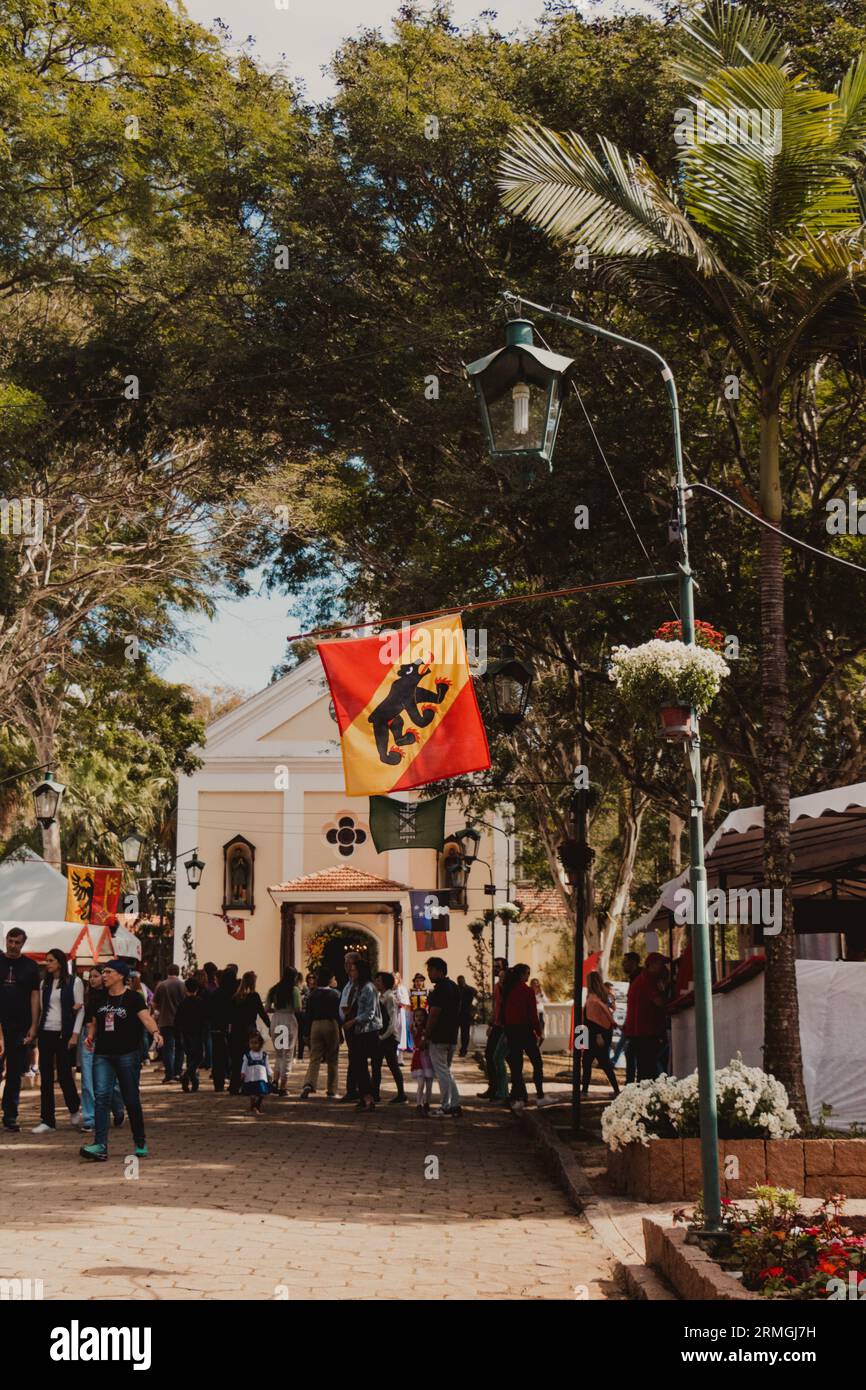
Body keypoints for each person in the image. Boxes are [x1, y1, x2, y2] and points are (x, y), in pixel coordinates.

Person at [80, 959, 162, 1161]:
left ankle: (140, 1141)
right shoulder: (98, 998)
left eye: (108, 972)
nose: (104, 975)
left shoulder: (133, 998)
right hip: (103, 1054)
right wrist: (90, 1037)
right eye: (104, 972)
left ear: (120, 975)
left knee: (131, 1098)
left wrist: (156, 1032)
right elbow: (94, 1022)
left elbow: (146, 1018)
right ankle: (100, 1145)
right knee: (101, 1097)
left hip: (127, 1054)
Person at [32, 947, 84, 1133]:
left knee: (63, 1074)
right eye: (47, 961)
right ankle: (47, 1120)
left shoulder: (74, 982)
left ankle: (73, 1108)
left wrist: (75, 1034)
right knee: (45, 1076)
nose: (48, 964)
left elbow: (81, 1009)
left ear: (60, 963)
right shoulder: (44, 984)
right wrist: (35, 1030)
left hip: (64, 1034)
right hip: (46, 1032)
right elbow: (41, 1008)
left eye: (51, 960)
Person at [0, 927, 41, 1133]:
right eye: (10, 941)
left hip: (21, 1026)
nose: (13, 945)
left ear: (23, 943)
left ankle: (10, 1114)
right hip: (0, 1025)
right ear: (5, 940)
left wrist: (34, 1025)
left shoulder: (30, 966)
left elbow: (35, 996)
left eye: (17, 942)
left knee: (15, 1071)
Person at [79, 966, 124, 1132]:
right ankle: (90, 1118)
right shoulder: (87, 996)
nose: (92, 979)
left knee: (111, 1081)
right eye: (90, 976)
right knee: (87, 1080)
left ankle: (118, 1108)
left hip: (107, 1037)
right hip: (89, 1036)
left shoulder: (111, 996)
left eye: (96, 976)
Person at [501, 963, 545, 1108]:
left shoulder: (508, 990)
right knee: (537, 1063)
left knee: (516, 1066)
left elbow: (504, 1012)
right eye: (527, 973)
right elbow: (532, 1014)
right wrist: (539, 1032)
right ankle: (540, 1095)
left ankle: (518, 1097)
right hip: (525, 1031)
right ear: (522, 975)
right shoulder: (527, 991)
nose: (528, 976)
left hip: (512, 1031)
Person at [423, 957, 462, 1118]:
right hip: (451, 1035)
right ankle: (454, 1104)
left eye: (431, 970)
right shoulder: (453, 986)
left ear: (440, 971)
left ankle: (446, 1105)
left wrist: (426, 1035)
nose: (429, 974)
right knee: (446, 1071)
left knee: (442, 1073)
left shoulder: (440, 989)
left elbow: (433, 1015)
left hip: (439, 1037)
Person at [343, 957, 380, 1112]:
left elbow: (370, 1013)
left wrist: (353, 1021)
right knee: (359, 1065)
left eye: (354, 969)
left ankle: (369, 1097)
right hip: (358, 1031)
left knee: (361, 1065)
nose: (351, 972)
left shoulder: (368, 988)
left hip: (368, 1031)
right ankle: (364, 1097)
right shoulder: (358, 987)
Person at [625, 952, 668, 1081]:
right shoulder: (647, 980)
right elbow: (659, 1002)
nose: (663, 968)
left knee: (645, 1066)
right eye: (661, 964)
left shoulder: (643, 978)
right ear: (653, 965)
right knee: (647, 1068)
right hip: (645, 1031)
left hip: (642, 1030)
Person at [300, 967, 341, 1098]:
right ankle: (331, 1090)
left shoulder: (312, 995)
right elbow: (338, 1014)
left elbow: (308, 1015)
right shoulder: (336, 994)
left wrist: (306, 1032)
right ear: (330, 980)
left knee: (315, 1057)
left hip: (315, 1025)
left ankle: (309, 1083)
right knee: (332, 1059)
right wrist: (340, 1032)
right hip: (331, 1023)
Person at [228, 972, 270, 1095]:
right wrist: (270, 1026)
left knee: (236, 1060)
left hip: (236, 1031)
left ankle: (233, 1086)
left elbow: (231, 1016)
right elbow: (262, 1014)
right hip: (249, 1030)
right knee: (248, 1060)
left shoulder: (235, 997)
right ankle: (247, 1086)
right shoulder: (254, 996)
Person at [581, 970, 620, 1099]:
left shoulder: (593, 998)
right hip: (602, 1032)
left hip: (596, 1034)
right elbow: (608, 1012)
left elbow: (593, 1018)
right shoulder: (602, 995)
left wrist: (598, 1035)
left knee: (600, 1062)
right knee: (590, 1062)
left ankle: (615, 1090)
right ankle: (585, 1090)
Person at [266, 967, 301, 1097]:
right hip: (288, 1021)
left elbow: (267, 1008)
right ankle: (283, 1085)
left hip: (276, 1020)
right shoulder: (294, 990)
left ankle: (275, 1081)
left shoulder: (273, 990)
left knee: (279, 1053)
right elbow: (298, 1008)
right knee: (287, 1054)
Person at [372, 971, 406, 1104]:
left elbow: (393, 1021)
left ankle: (401, 1094)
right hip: (381, 1035)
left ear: (385, 983)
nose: (376, 983)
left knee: (393, 1065)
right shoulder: (381, 996)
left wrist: (383, 1036)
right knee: (376, 1065)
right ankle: (375, 1093)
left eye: (379, 981)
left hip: (389, 1037)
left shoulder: (389, 997)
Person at [480, 957, 508, 1101]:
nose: (495, 969)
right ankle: (494, 1088)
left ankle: (502, 1091)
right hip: (497, 1025)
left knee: (498, 1058)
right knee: (490, 1056)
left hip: (505, 1027)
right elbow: (497, 1006)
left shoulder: (506, 986)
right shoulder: (497, 986)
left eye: (498, 966)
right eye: (494, 966)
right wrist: (491, 1023)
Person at [153, 964, 186, 1083]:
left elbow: (155, 1003)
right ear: (178, 972)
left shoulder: (161, 985)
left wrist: (162, 1009)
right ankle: (178, 1072)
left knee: (167, 1048)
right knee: (180, 1047)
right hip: (180, 1021)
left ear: (167, 971)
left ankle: (169, 1074)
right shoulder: (182, 985)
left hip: (165, 1020)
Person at [207, 964, 237, 1092]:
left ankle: (218, 1083)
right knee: (234, 1055)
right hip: (233, 1028)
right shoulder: (235, 994)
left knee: (218, 1056)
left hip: (217, 1028)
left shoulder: (216, 994)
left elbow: (209, 1011)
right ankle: (234, 1081)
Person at [176, 976, 207, 1092]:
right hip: (197, 1033)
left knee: (190, 1058)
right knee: (198, 1057)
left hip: (186, 1033)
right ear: (197, 989)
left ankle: (192, 1082)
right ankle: (189, 1076)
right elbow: (204, 1019)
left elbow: (177, 1021)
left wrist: (178, 1036)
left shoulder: (182, 1004)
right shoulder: (200, 1003)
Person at [337, 951, 361, 1102]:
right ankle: (355, 1089)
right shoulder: (348, 982)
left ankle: (354, 1090)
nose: (346, 966)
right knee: (354, 1058)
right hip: (347, 1024)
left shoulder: (358, 984)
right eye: (345, 962)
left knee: (356, 1058)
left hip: (354, 1024)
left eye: (349, 963)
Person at [617, 951, 643, 1082]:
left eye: (625, 962)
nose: (623, 965)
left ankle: (633, 1085)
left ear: (633, 962)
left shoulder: (640, 978)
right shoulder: (634, 978)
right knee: (630, 1053)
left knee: (635, 1055)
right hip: (633, 1025)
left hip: (640, 1026)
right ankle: (631, 1084)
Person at [410, 1009, 435, 1115]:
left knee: (429, 1085)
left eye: (421, 1016)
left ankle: (427, 1103)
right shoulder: (414, 1029)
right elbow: (415, 1037)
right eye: (416, 1016)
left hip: (429, 1059)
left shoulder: (428, 1030)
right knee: (420, 1084)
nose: (419, 1018)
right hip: (418, 1059)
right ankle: (418, 1104)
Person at [241, 1030, 271, 1114]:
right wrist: (243, 1072)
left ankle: (258, 1105)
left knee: (261, 1093)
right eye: (251, 1043)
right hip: (251, 1077)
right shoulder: (247, 1055)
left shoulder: (264, 1055)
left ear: (260, 1044)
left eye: (255, 1043)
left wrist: (269, 1074)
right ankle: (253, 1106)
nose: (253, 1045)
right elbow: (244, 1064)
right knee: (252, 1094)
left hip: (261, 1077)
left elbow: (267, 1065)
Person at [456, 974, 477, 1057]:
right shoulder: (457, 989)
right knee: (459, 1033)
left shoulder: (470, 990)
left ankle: (463, 1050)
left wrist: (474, 1009)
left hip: (466, 1014)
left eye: (461, 981)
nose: (460, 983)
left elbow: (477, 998)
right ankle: (461, 1050)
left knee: (465, 1033)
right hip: (458, 1014)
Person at [393, 971, 412, 1052]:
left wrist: (396, 1002)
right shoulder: (390, 988)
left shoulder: (402, 988)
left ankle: (399, 1057)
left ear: (398, 979)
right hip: (391, 1013)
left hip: (400, 1012)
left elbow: (405, 1003)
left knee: (400, 1033)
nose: (394, 980)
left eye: (395, 978)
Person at [531, 978, 547, 1043]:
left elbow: (546, 1001)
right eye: (534, 983)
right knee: (533, 1034)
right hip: (532, 1015)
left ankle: (537, 1048)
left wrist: (541, 994)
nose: (536, 985)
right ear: (531, 984)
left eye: (537, 983)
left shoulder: (541, 992)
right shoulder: (529, 992)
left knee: (542, 1035)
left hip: (540, 1014)